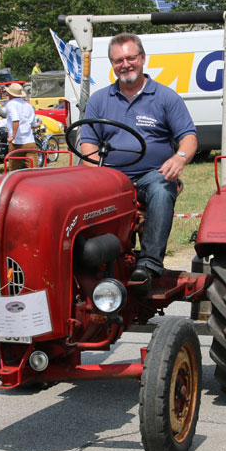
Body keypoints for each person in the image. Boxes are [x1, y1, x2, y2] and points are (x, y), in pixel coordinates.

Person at [80, 32, 197, 293]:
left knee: (160, 187)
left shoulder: (165, 97)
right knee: (72, 193)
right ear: (112, 64)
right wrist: (98, 170)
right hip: (110, 176)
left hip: (150, 175)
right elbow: (87, 141)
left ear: (142, 58)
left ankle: (149, 264)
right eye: (118, 60)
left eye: (131, 57)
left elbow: (188, 137)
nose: (125, 65)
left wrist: (179, 157)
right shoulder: (100, 100)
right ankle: (83, 262)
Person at [4, 82, 38, 171]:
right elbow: (33, 125)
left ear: (10, 94)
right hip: (29, 140)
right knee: (34, 169)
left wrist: (13, 136)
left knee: (13, 170)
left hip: (16, 142)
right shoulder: (28, 105)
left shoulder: (11, 104)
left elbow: (16, 120)